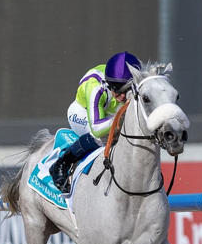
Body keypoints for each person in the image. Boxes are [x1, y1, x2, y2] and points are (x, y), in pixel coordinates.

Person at [49, 51, 142, 193]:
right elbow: (97, 129)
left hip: (111, 114)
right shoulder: (95, 86)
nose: (121, 97)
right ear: (109, 84)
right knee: (104, 136)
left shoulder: (136, 82)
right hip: (82, 113)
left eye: (126, 90)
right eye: (117, 90)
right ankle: (61, 164)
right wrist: (122, 118)